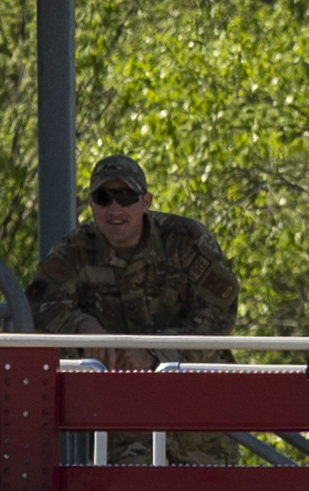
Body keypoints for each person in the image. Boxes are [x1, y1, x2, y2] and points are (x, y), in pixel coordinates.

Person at [27, 153, 240, 467]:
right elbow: (38, 308)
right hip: (123, 420)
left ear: (146, 202)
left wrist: (155, 354)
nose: (115, 209)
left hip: (198, 409)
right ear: (91, 204)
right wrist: (83, 329)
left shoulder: (184, 241)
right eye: (103, 198)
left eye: (125, 197)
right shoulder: (74, 252)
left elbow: (220, 311)